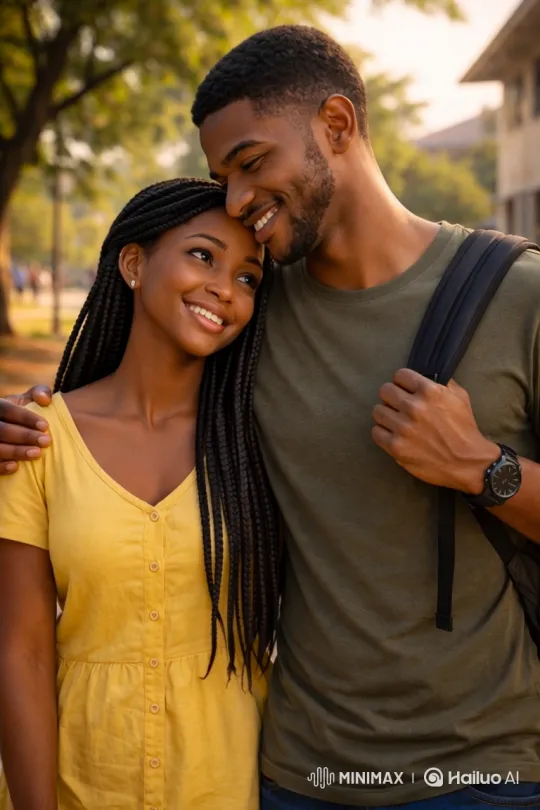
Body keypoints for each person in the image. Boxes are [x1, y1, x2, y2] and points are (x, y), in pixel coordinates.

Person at [3, 25, 540, 810]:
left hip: (483, 773)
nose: (238, 200)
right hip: (300, 774)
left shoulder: (519, 296)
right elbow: (121, 405)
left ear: (337, 125)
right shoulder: (248, 315)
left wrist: (486, 469)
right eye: (225, 178)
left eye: (252, 163)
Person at [0, 178, 281, 810]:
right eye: (203, 256)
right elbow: (21, 655)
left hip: (226, 783)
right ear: (133, 263)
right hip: (81, 781)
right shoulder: (41, 442)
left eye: (247, 278)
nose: (224, 289)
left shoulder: (257, 445)